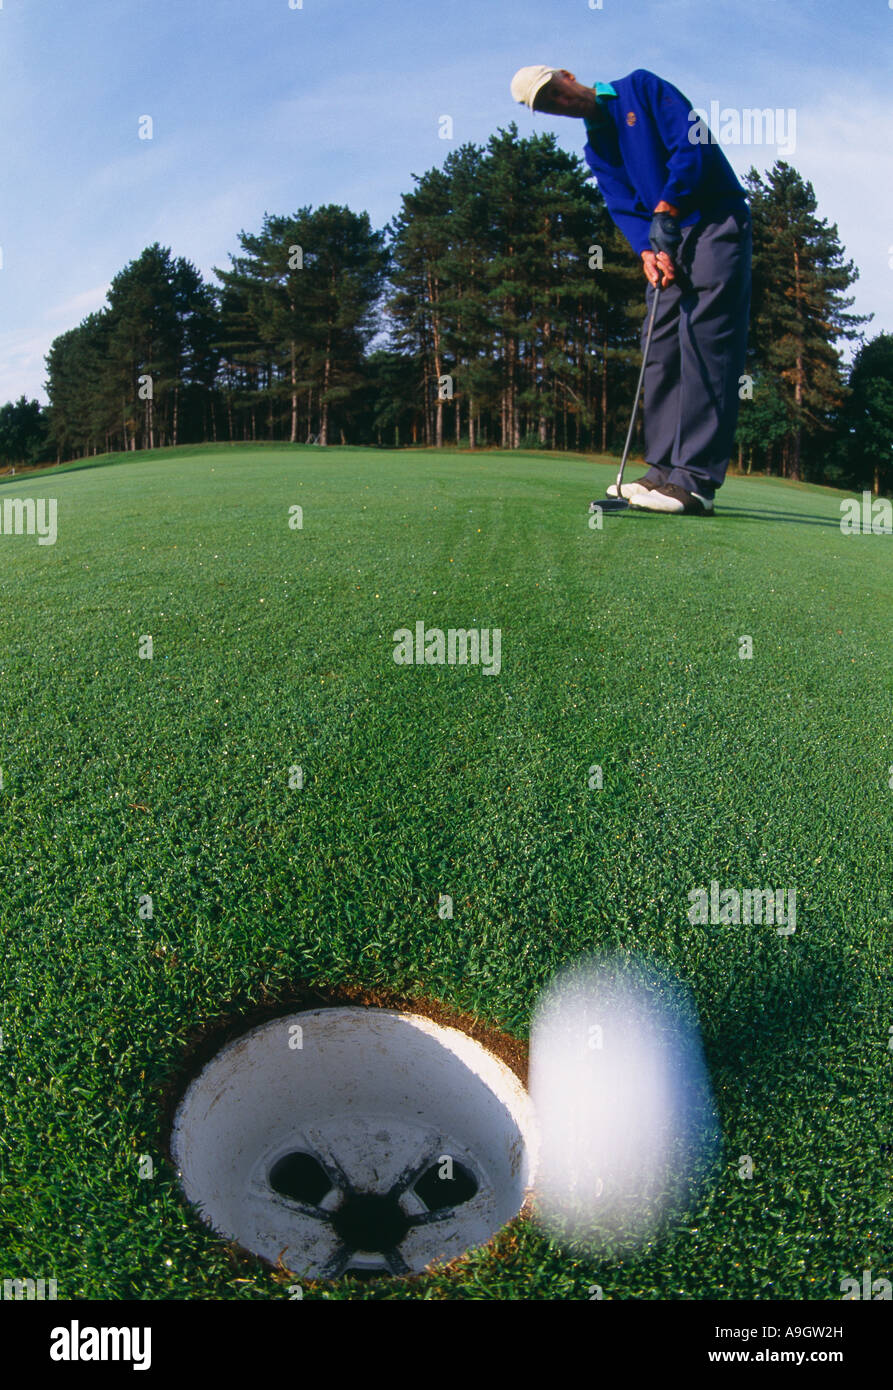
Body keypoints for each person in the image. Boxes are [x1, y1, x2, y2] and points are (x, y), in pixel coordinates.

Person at [510, 65, 752, 516]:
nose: (561, 103)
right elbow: (621, 204)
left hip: (714, 219)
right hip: (667, 240)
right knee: (659, 347)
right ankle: (661, 470)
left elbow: (692, 143)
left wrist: (667, 205)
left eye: (555, 92)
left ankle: (695, 481)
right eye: (547, 106)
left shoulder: (640, 88)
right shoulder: (596, 146)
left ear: (566, 75)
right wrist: (645, 250)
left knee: (704, 343)